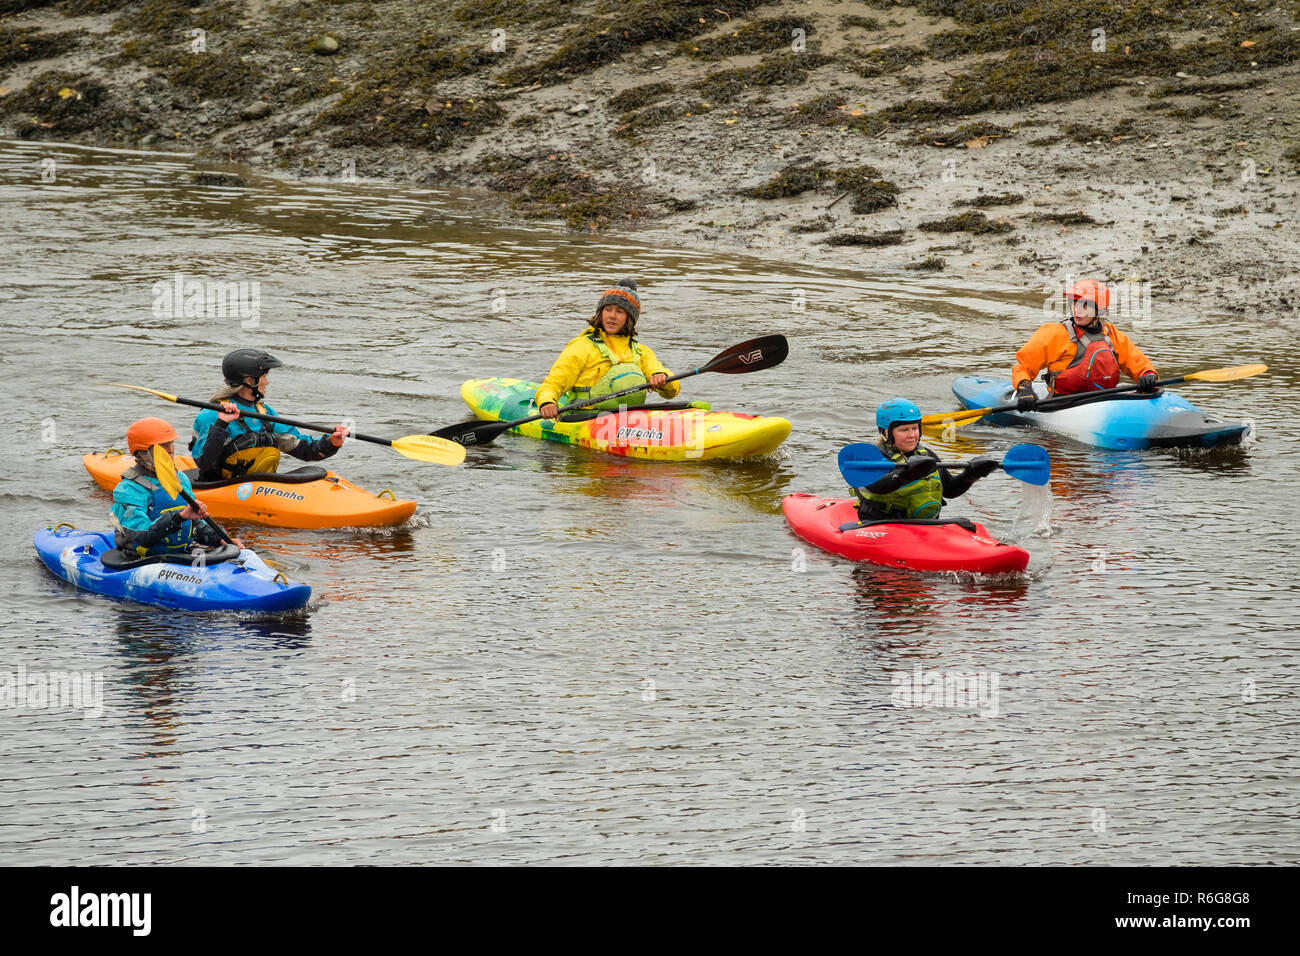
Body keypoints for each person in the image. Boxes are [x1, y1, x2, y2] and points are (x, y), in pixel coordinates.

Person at [190, 348, 350, 481]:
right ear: (250, 381)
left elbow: (302, 449)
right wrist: (222, 424)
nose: (267, 382)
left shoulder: (264, 412)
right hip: (219, 487)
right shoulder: (212, 414)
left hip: (258, 486)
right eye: (265, 377)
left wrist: (330, 443)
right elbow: (204, 462)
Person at [535, 278, 680, 419]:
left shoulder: (641, 352)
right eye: (608, 310)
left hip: (628, 418)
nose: (612, 316)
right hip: (585, 417)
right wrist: (547, 402)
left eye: (619, 311)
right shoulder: (582, 346)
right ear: (600, 313)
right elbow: (555, 382)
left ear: (629, 318)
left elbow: (672, 392)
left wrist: (663, 377)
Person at [1011, 279, 1158, 410]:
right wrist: (1024, 390)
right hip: (1063, 404)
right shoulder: (1055, 333)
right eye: (1074, 304)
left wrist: (1148, 375)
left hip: (1103, 402)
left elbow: (1138, 362)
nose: (1077, 310)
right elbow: (1023, 367)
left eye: (1085, 305)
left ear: (1099, 309)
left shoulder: (1111, 335)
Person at [112, 417, 243, 557]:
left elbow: (194, 523)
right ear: (142, 453)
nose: (171, 449)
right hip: (142, 558)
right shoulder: (130, 488)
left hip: (178, 555)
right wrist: (178, 518)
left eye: (171, 443)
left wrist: (219, 538)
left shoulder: (181, 479)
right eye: (163, 445)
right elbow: (141, 536)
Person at [851, 399, 999, 521]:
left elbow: (950, 490)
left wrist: (971, 475)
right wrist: (907, 474)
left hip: (923, 525)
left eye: (915, 428)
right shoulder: (870, 457)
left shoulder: (926, 454)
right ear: (885, 432)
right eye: (904, 430)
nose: (911, 435)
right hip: (880, 524)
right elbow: (876, 486)